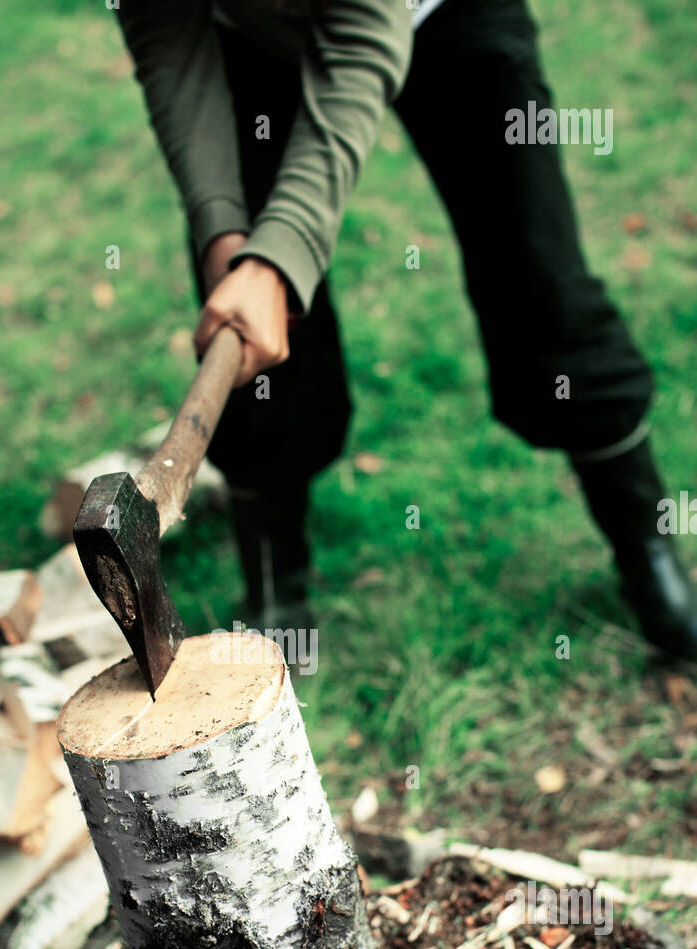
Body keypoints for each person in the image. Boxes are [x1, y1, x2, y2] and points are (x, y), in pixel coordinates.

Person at [116, 0, 697, 658]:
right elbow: (166, 29)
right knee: (253, 320)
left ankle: (643, 545)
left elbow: (362, 39)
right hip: (243, 36)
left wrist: (282, 253)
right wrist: (224, 229)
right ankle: (277, 580)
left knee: (538, 273)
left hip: (437, 14)